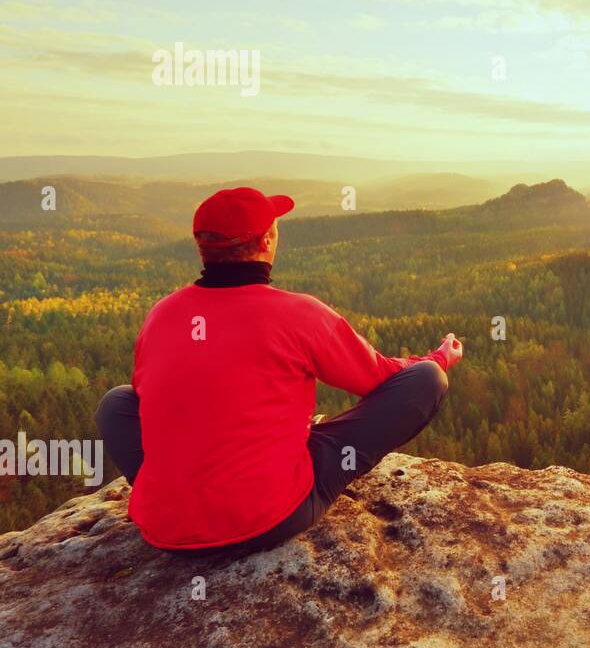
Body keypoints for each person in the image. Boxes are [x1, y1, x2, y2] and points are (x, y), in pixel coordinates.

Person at [95, 186, 462, 554]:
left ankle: (175, 503)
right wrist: (438, 357)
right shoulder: (299, 313)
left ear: (201, 250)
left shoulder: (162, 314)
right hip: (269, 518)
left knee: (117, 403)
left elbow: (154, 402)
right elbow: (377, 376)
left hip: (166, 531)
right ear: (268, 240)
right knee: (426, 380)